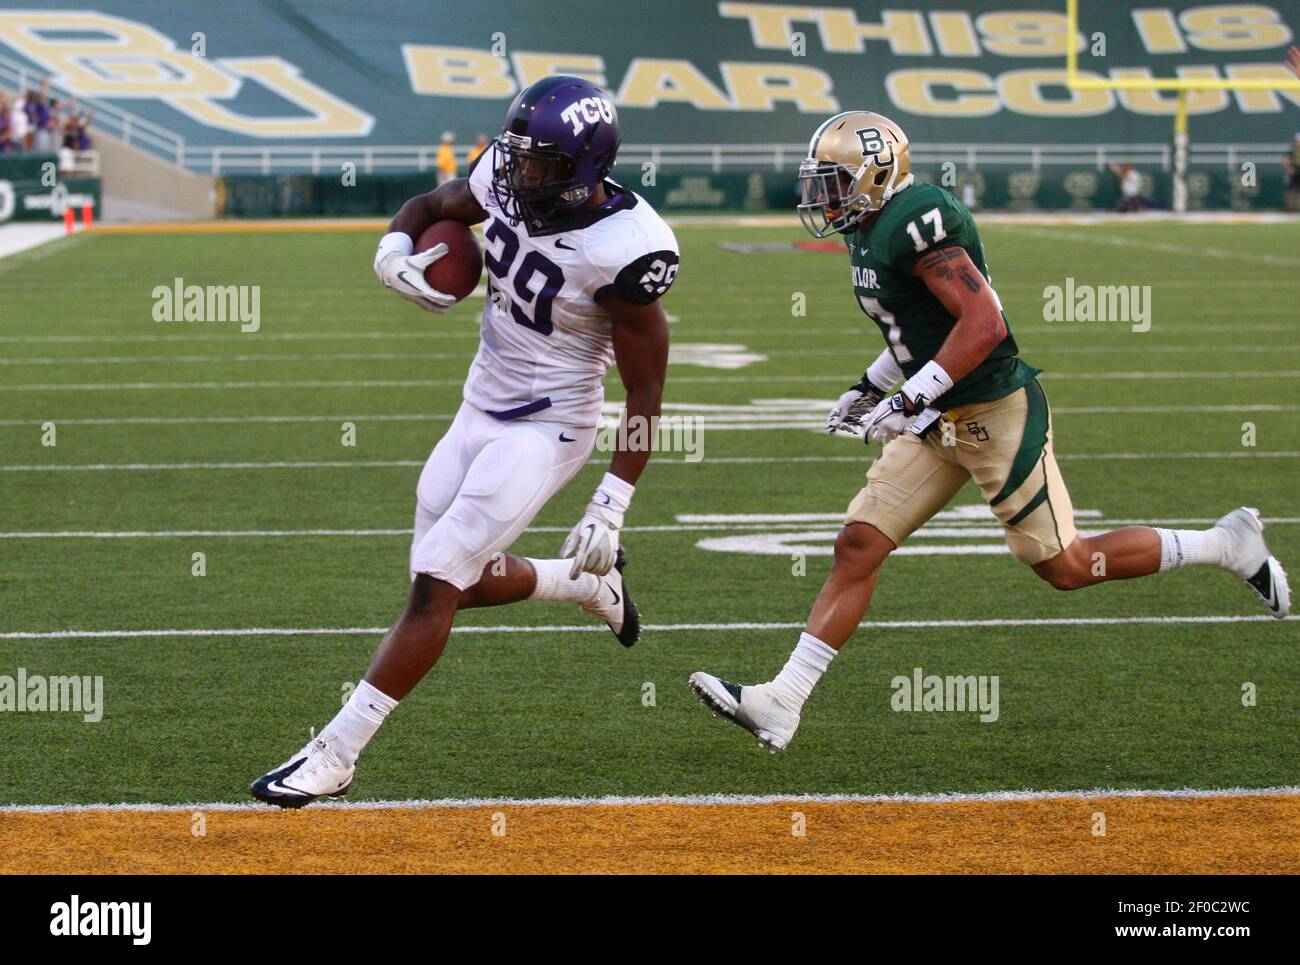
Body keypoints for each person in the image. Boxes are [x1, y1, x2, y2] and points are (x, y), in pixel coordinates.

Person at [688, 110, 1291, 753]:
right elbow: (913, 327)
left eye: (835, 181)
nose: (822, 196)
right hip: (937, 413)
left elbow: (984, 323)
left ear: (877, 174)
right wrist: (871, 384)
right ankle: (783, 701)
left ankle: (1226, 544)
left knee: (1066, 566)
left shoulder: (915, 221)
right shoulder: (866, 227)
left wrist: (911, 398)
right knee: (858, 543)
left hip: (993, 409)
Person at [251, 76, 680, 807]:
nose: (516, 173)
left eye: (538, 162)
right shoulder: (510, 174)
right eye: (516, 154)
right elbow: (430, 207)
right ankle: (579, 584)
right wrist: (393, 248)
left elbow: (645, 388)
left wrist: (613, 502)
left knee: (436, 581)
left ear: (584, 171)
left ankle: (337, 752)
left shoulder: (628, 248)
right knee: (456, 577)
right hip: (479, 401)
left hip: (550, 424)